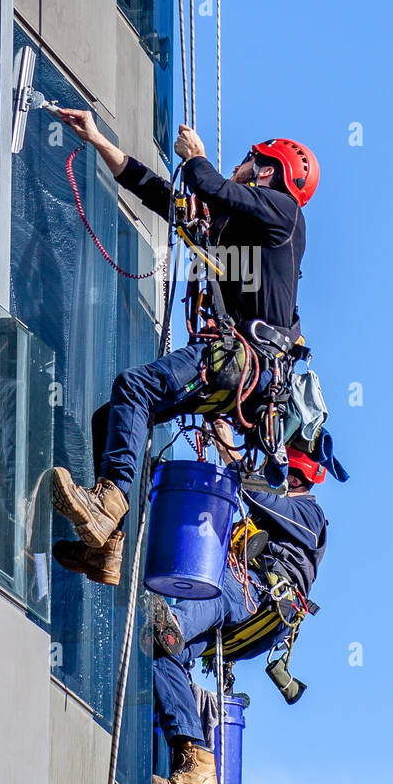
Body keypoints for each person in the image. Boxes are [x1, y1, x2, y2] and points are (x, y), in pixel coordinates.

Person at [49, 109, 320, 587]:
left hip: (239, 361)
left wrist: (196, 157)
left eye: (249, 160)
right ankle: (106, 546)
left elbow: (211, 185)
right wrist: (98, 141)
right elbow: (160, 194)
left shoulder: (285, 213)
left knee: (134, 387)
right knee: (111, 414)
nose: (239, 166)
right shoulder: (232, 228)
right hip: (237, 373)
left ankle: (108, 501)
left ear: (267, 170)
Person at [149, 444, 329, 784]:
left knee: (215, 585)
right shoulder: (272, 514)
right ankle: (195, 762)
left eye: (283, 476)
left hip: (259, 596)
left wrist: (227, 447)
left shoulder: (309, 514)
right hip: (241, 619)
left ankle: (177, 624)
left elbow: (260, 496)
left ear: (297, 478)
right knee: (161, 654)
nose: (277, 480)